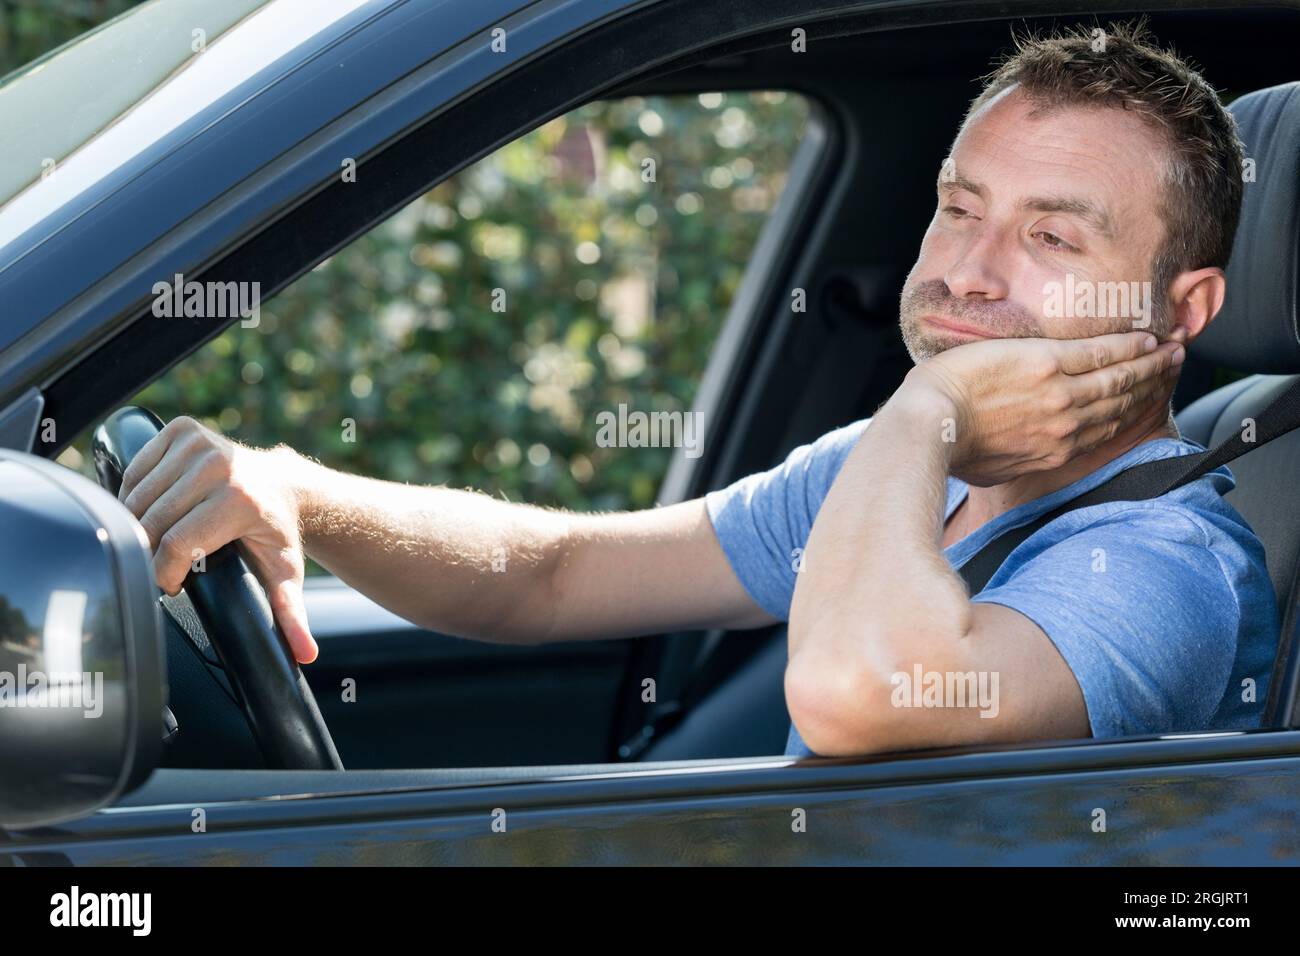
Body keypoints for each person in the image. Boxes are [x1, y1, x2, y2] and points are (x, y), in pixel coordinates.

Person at [118, 22, 1277, 758]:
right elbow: (550, 575)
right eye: (959, 207)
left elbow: (849, 692)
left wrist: (927, 412)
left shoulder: (1160, 565)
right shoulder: (902, 482)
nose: (966, 270)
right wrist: (301, 494)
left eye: (1052, 239)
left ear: (1185, 307)